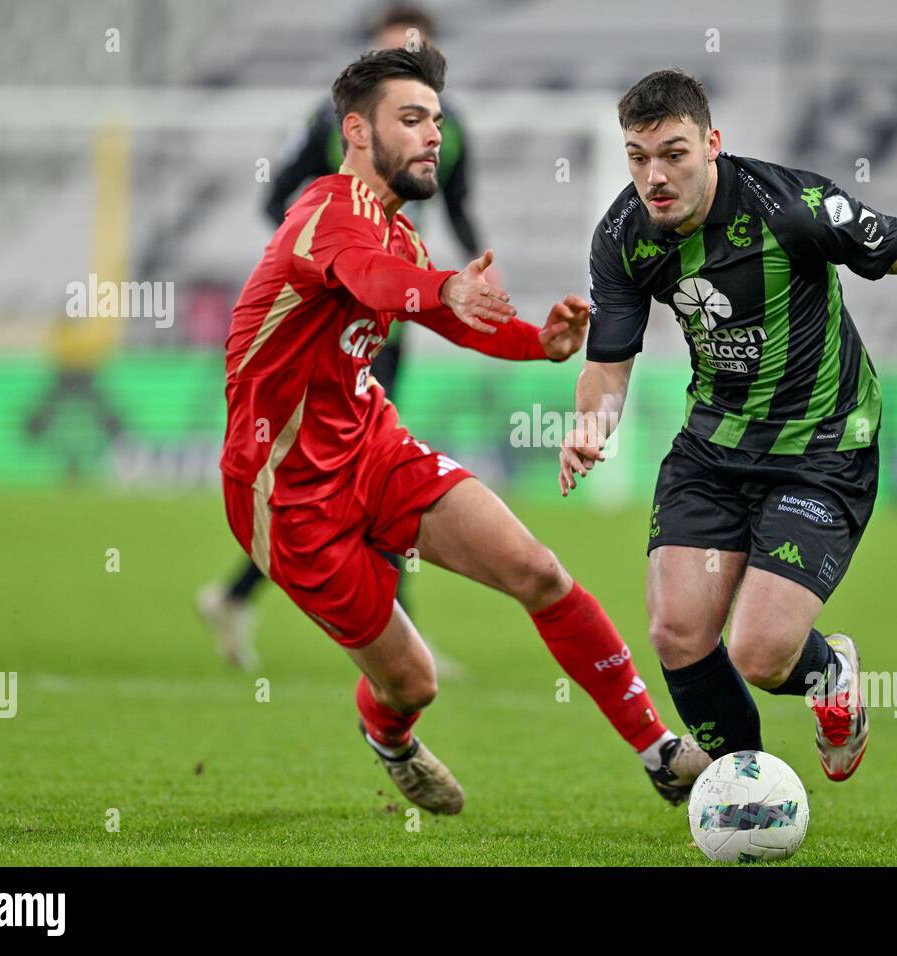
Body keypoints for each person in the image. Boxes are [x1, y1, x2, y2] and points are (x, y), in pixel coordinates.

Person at [219, 47, 709, 813]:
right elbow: (379, 284)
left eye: (437, 121)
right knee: (413, 683)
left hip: (370, 446)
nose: (432, 137)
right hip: (286, 494)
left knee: (538, 571)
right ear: (356, 130)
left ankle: (659, 752)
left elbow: (445, 313)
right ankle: (390, 736)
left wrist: (535, 343)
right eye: (410, 120)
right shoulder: (324, 216)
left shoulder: (398, 233)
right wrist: (443, 284)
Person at [560, 69, 897, 782]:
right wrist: (592, 427)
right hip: (712, 449)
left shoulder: (790, 205)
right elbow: (609, 367)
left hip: (822, 450)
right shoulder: (623, 235)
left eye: (673, 153)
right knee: (678, 632)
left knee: (760, 654)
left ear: (712, 144)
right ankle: (741, 785)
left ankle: (834, 678)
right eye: (638, 157)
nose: (655, 176)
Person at [198, 4, 485, 668]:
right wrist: (328, 253)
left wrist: (472, 275)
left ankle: (238, 596)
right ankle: (400, 638)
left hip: (386, 325)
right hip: (326, 329)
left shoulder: (452, 131)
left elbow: (462, 207)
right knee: (356, 482)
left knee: (367, 477)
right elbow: (274, 200)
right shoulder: (332, 129)